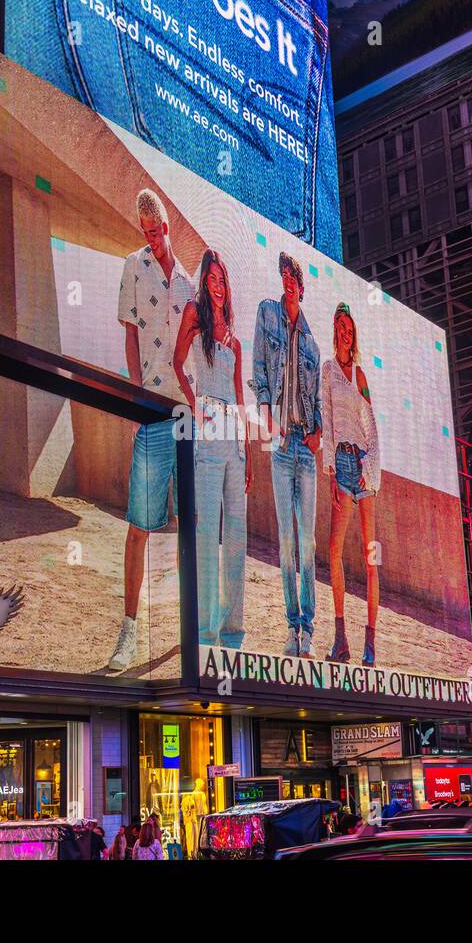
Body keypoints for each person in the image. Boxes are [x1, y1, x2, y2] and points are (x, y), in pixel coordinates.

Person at [109, 189, 197, 671]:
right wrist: (136, 393)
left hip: (187, 415)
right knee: (140, 525)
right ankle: (128, 632)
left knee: (188, 527)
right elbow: (129, 331)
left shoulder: (189, 284)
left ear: (167, 227)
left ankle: (188, 628)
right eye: (143, 232)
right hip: (153, 411)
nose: (150, 239)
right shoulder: (132, 265)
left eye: (155, 231)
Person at [172, 250, 252, 650]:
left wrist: (248, 448)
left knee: (236, 534)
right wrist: (193, 403)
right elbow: (177, 360)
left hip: (234, 436)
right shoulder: (194, 316)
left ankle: (232, 632)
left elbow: (240, 394)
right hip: (207, 427)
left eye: (223, 281)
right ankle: (204, 630)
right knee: (207, 534)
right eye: (213, 279)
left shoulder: (235, 340)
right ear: (204, 282)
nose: (218, 287)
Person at [250, 251, 323, 658]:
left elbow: (317, 400)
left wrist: (319, 435)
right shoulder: (266, 313)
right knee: (285, 540)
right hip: (280, 445)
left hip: (305, 449)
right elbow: (259, 369)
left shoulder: (312, 340)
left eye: (293, 276)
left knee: (307, 541)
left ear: (302, 283)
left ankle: (308, 627)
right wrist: (266, 420)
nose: (288, 282)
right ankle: (291, 625)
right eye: (283, 275)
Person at [320, 303, 381, 665]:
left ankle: (370, 645)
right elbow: (326, 419)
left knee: (371, 558)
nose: (346, 331)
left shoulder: (360, 376)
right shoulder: (328, 371)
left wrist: (369, 466)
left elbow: (372, 429)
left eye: (350, 327)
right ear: (335, 329)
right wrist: (330, 469)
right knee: (334, 550)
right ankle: (341, 638)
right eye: (341, 325)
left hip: (362, 466)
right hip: (340, 464)